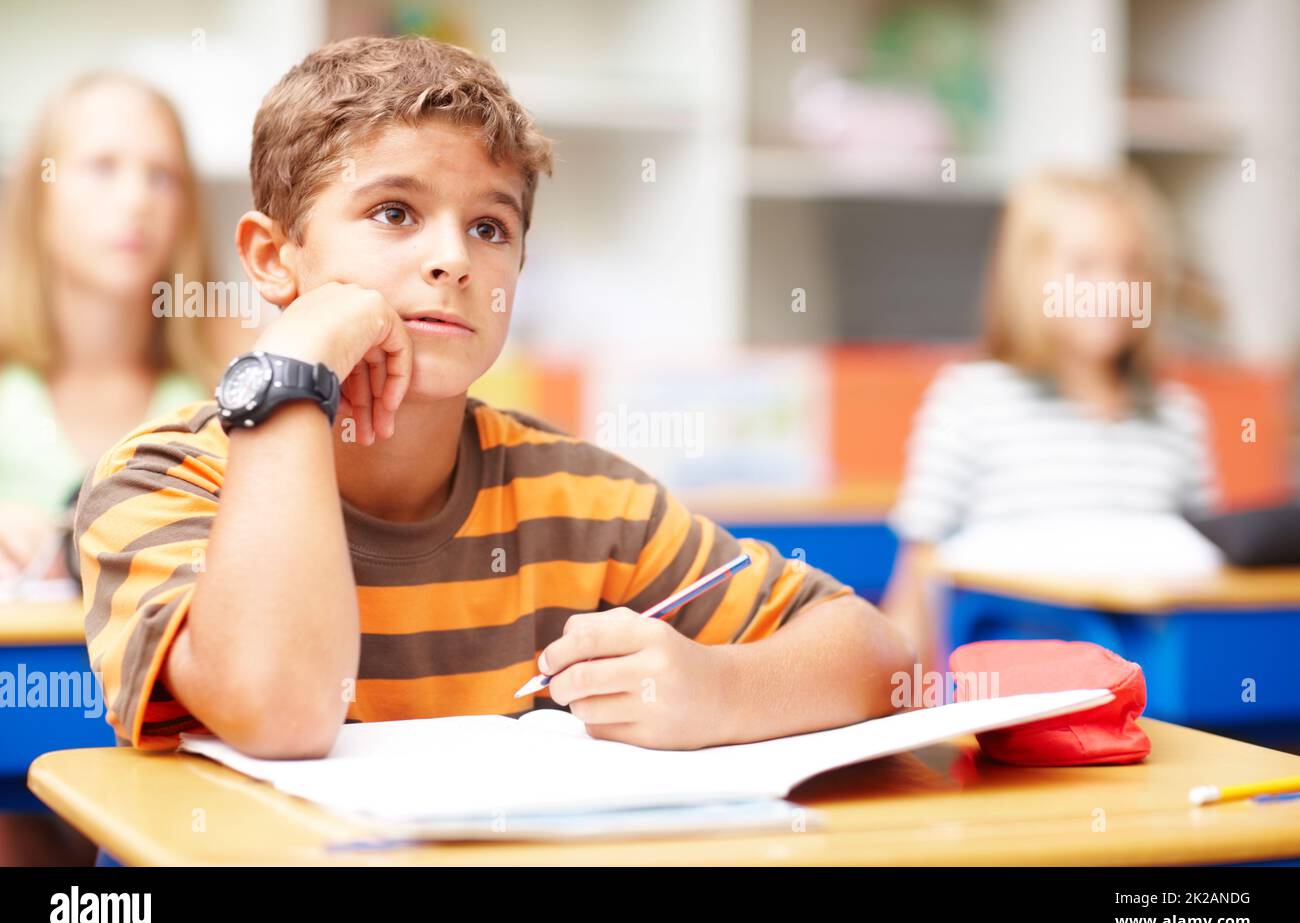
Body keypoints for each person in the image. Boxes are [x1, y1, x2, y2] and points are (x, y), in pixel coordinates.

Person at [74, 36, 915, 760]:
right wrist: (290, 366)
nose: (454, 259)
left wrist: (718, 689)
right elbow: (282, 711)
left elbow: (880, 655)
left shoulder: (585, 501)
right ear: (270, 258)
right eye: (395, 212)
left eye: (491, 227)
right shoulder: (158, 483)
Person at [0, 73, 221, 865]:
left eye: (161, 175)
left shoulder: (221, 397)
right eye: (101, 167)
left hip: (163, 736)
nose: (135, 199)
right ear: (40, 195)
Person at [881, 169, 1219, 672]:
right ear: (1026, 275)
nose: (1113, 288)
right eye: (1084, 265)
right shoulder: (970, 402)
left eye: (1132, 265)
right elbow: (918, 584)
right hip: (1018, 700)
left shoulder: (1177, 416)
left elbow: (1210, 578)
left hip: (1154, 694)